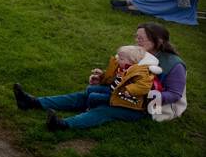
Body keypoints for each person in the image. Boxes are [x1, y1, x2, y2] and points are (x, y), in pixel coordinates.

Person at [13, 45, 161, 131]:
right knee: (83, 95)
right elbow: (116, 81)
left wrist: (130, 91)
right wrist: (102, 77)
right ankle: (33, 102)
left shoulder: (146, 69)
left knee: (102, 111)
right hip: (118, 96)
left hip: (134, 108)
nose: (137, 39)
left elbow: (144, 88)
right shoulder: (131, 65)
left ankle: (63, 124)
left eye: (141, 38)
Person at [135, 22, 189, 121]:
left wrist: (145, 95)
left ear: (159, 41)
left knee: (106, 109)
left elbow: (174, 94)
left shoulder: (175, 64)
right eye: (137, 37)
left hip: (158, 108)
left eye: (141, 38)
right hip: (132, 98)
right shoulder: (139, 54)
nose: (137, 41)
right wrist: (104, 76)